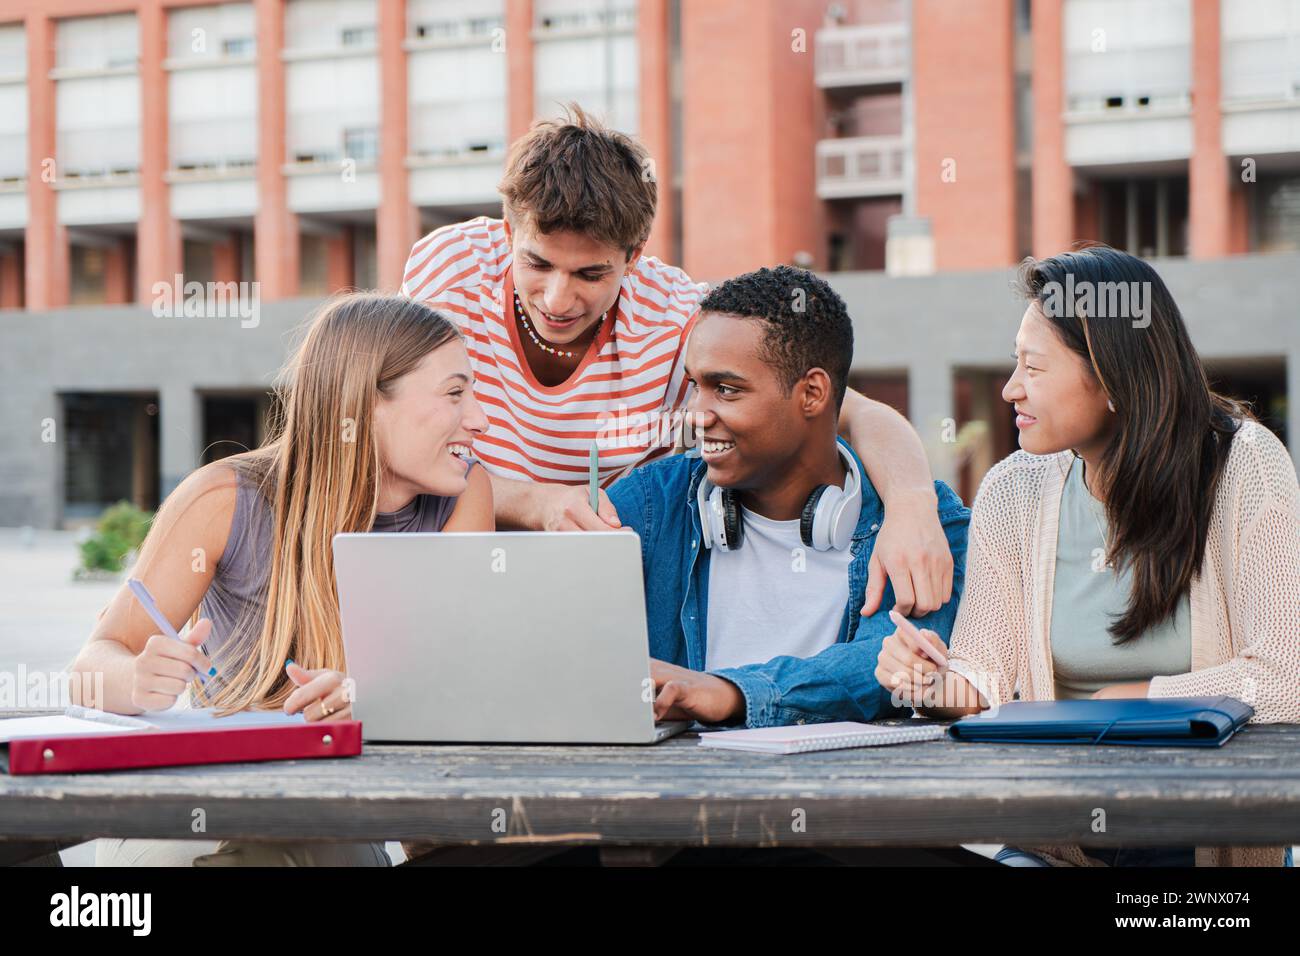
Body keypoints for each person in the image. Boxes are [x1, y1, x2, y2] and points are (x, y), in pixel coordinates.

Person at [403, 104, 956, 620]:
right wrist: (533, 501)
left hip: (604, 593)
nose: (556, 299)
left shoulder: (676, 315)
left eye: (590, 275)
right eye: (537, 264)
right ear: (507, 234)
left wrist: (912, 506)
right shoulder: (448, 269)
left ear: (634, 255)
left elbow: (851, 412)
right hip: (449, 571)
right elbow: (398, 444)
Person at [875, 246, 1300, 868]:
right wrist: (930, 681)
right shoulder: (1013, 489)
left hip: (1197, 838)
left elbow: (1286, 679)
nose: (1009, 387)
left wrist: (1130, 703)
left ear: (1112, 377)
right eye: (1012, 364)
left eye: (1034, 368)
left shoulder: (1244, 465)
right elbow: (984, 675)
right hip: (1060, 841)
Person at [68, 293, 492, 866]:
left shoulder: (464, 498)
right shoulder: (223, 499)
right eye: (455, 393)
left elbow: (462, 681)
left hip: (329, 816)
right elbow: (91, 665)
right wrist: (136, 677)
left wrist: (373, 704)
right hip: (204, 804)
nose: (479, 419)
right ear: (366, 405)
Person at [607, 265, 970, 728]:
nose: (696, 415)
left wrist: (731, 693)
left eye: (726, 389)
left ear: (812, 394)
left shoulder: (921, 524)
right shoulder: (653, 502)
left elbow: (886, 669)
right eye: (696, 386)